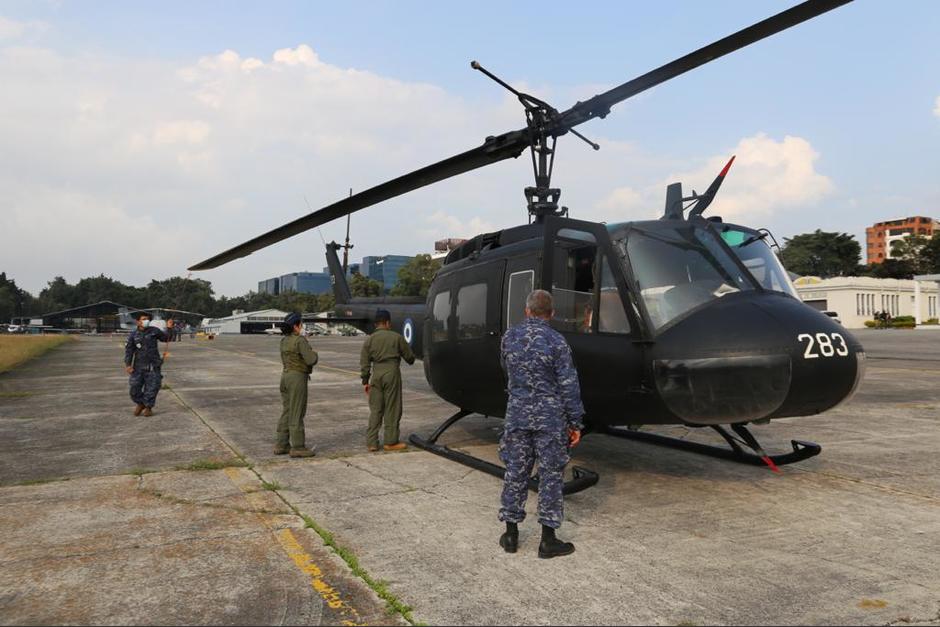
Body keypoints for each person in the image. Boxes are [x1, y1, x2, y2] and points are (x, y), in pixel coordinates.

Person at [498, 289, 584, 559]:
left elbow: (506, 370)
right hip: (550, 418)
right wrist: (575, 422)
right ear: (551, 314)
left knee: (515, 471)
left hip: (518, 413)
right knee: (550, 475)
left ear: (527, 310)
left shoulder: (509, 337)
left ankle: (511, 534)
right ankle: (548, 540)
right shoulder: (556, 342)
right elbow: (569, 385)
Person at [360, 309, 415, 452]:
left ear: (376, 324)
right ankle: (390, 442)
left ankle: (372, 442)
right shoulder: (396, 337)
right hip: (391, 373)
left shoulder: (369, 340)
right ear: (388, 323)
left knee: (376, 410)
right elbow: (410, 359)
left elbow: (364, 363)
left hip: (376, 375)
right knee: (392, 408)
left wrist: (365, 381)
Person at [277, 312, 318, 458]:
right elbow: (311, 359)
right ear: (296, 326)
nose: (301, 327)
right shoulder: (299, 340)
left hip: (285, 376)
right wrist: (313, 351)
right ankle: (298, 446)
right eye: (300, 324)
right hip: (297, 378)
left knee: (287, 411)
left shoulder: (284, 341)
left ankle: (281, 444)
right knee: (297, 411)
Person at [124, 313, 174, 417]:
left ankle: (148, 407)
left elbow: (166, 338)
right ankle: (140, 403)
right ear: (138, 321)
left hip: (153, 365)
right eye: (144, 319)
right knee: (134, 388)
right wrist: (128, 365)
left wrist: (169, 328)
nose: (146, 320)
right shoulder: (133, 335)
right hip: (138, 366)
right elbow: (129, 350)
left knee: (152, 388)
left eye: (147, 319)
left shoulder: (154, 331)